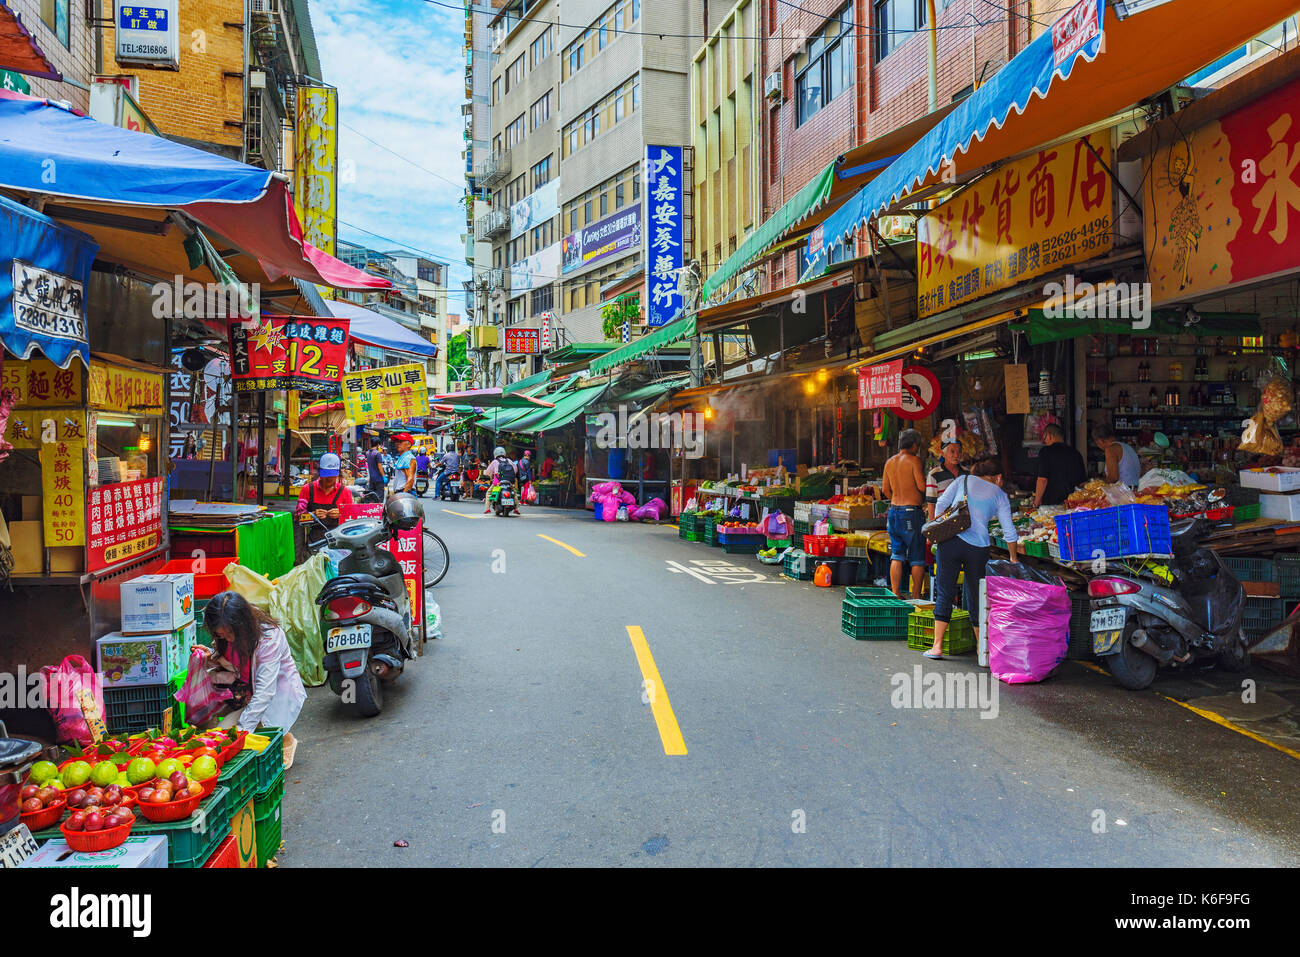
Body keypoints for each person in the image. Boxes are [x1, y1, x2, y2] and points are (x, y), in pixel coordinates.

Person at [927, 456, 1020, 660]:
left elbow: (940, 504)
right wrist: (1013, 558)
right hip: (978, 547)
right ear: (998, 477)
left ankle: (937, 646)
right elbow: (1009, 531)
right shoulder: (1000, 494)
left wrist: (941, 529)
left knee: (945, 591)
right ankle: (980, 648)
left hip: (950, 541)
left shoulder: (963, 480)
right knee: (976, 594)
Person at [203, 591, 307, 767]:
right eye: (221, 635)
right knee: (213, 729)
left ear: (242, 624)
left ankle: (284, 738)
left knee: (229, 736)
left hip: (275, 693)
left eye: (230, 633)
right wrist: (211, 656)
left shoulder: (269, 637)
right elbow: (233, 663)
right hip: (244, 689)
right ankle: (266, 731)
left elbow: (265, 692)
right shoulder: (230, 632)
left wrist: (241, 734)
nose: (228, 639)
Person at [882, 428, 929, 599]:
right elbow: (922, 486)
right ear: (915, 444)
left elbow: (885, 490)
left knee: (897, 554)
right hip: (911, 512)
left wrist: (897, 498)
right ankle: (916, 595)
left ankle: (895, 593)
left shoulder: (889, 462)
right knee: (917, 556)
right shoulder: (914, 461)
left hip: (893, 512)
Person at [295, 452, 354, 547]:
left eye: (332, 476)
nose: (329, 479)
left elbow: (351, 521)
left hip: (338, 542)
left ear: (338, 474)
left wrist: (341, 514)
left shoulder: (345, 492)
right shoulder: (307, 489)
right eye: (326, 475)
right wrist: (312, 515)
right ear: (320, 472)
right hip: (314, 542)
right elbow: (298, 518)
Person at [1035, 423, 1088, 507]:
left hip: (1051, 504)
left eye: (1044, 437)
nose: (1044, 441)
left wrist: (1036, 502)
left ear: (1049, 436)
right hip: (1072, 503)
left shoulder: (1045, 452)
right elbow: (1083, 483)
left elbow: (1042, 480)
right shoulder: (1075, 453)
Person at [926, 440, 967, 521]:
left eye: (959, 452)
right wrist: (933, 526)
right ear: (943, 454)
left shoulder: (967, 472)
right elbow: (931, 504)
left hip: (964, 519)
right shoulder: (934, 474)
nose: (956, 455)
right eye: (952, 451)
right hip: (944, 522)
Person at [1094, 422, 1141, 487]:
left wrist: (1093, 484)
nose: (1098, 446)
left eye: (1097, 443)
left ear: (1100, 440)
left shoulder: (1110, 449)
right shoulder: (1127, 446)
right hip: (1136, 488)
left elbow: (1113, 478)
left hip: (1125, 491)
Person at [482, 446, 519, 514]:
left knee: (489, 493)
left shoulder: (495, 462)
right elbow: (515, 470)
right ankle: (516, 509)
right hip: (509, 483)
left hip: (498, 483)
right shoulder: (509, 461)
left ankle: (487, 508)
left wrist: (484, 472)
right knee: (514, 493)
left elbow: (488, 472)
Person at [388, 433, 416, 497]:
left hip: (405, 494)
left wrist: (403, 496)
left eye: (401, 441)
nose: (397, 444)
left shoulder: (409, 458)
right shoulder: (403, 457)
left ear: (408, 444)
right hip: (401, 493)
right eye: (397, 441)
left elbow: (410, 480)